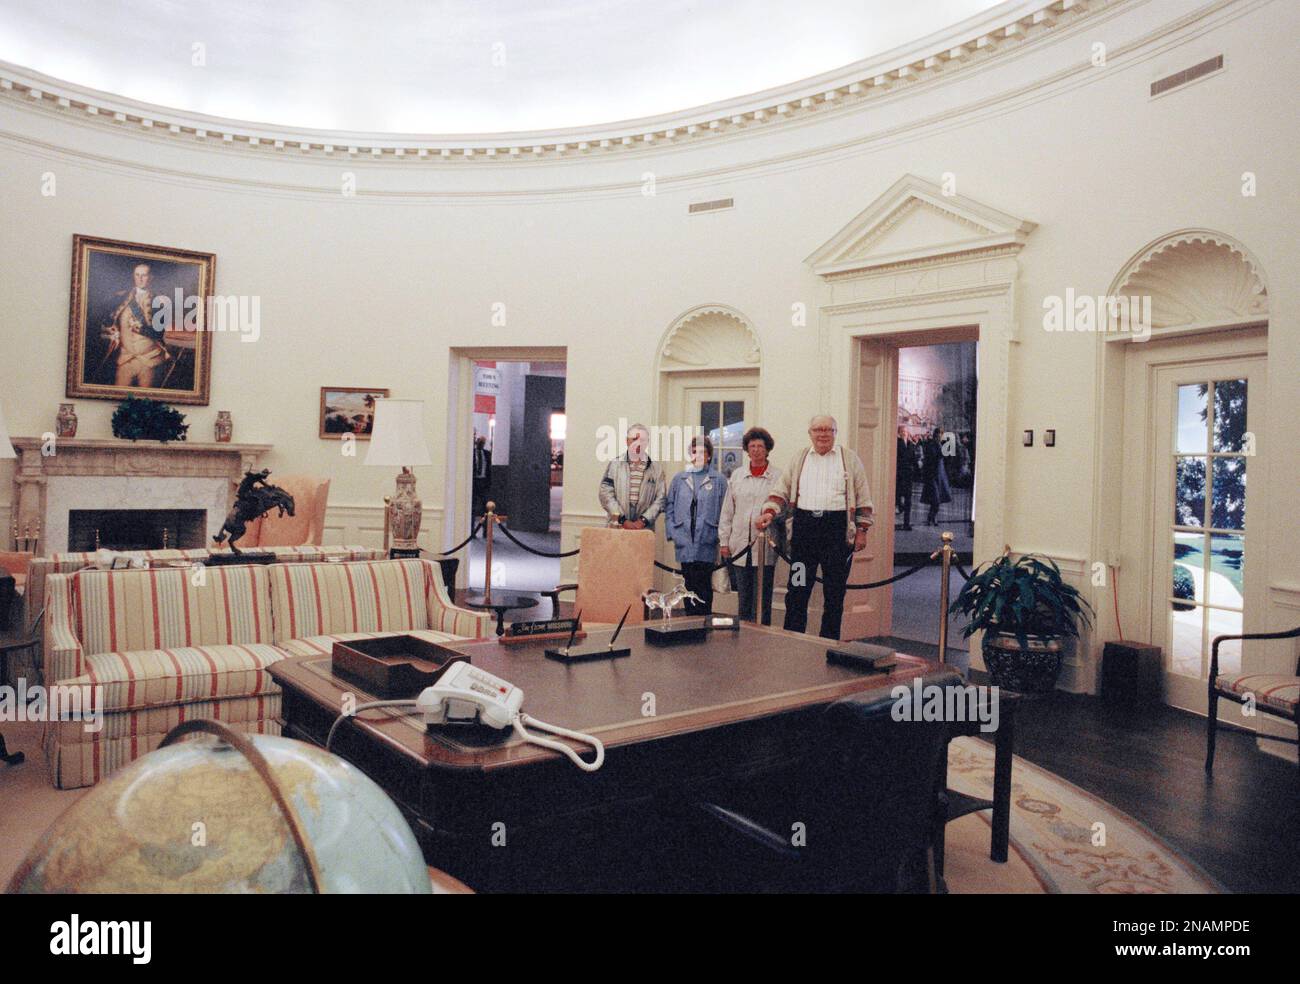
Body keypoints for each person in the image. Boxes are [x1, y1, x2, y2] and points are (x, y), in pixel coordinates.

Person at [756, 415, 872, 639]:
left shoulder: (849, 459)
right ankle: (794, 642)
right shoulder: (800, 459)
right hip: (804, 534)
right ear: (810, 433)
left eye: (828, 429)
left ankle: (829, 645)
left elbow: (863, 498)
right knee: (798, 590)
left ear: (835, 433)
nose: (822, 434)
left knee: (834, 593)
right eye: (818, 429)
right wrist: (768, 512)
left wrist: (862, 530)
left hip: (836, 534)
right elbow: (781, 491)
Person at [719, 426, 781, 624]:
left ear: (767, 449)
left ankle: (762, 637)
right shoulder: (737, 475)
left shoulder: (778, 476)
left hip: (764, 545)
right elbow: (728, 511)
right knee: (743, 597)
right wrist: (724, 541)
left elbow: (782, 507)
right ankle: (743, 635)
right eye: (752, 446)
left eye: (760, 446)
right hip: (738, 546)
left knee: (762, 598)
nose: (756, 450)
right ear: (747, 449)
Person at [664, 436, 728, 615]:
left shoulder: (719, 480)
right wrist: (673, 532)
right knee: (688, 585)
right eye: (694, 451)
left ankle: (704, 625)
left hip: (707, 540)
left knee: (704, 586)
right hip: (684, 540)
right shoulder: (679, 479)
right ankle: (689, 624)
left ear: (709, 456)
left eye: (702, 452)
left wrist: (721, 537)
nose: (698, 455)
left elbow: (726, 511)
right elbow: (669, 506)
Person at [100, 263, 171, 388]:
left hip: (150, 360)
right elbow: (108, 320)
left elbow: (159, 333)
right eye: (137, 275)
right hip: (125, 358)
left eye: (144, 275)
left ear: (151, 277)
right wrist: (112, 329)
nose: (140, 278)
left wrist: (140, 328)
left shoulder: (160, 301)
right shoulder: (121, 297)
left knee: (147, 401)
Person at [598, 422, 666, 530]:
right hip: (618, 527)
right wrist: (622, 519)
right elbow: (605, 494)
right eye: (634, 439)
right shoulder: (615, 465)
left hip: (644, 529)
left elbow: (660, 499)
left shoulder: (656, 469)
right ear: (627, 441)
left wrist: (643, 520)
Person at [920, 426, 952, 526]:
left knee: (937, 500)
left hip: (940, 475)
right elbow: (933, 458)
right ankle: (931, 518)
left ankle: (931, 518)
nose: (941, 436)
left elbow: (945, 459)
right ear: (936, 435)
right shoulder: (932, 444)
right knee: (936, 499)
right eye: (940, 434)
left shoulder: (939, 444)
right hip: (933, 476)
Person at [895, 426, 918, 532]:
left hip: (908, 476)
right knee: (897, 498)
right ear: (899, 433)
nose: (904, 433)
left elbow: (914, 459)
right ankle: (900, 508)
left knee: (908, 501)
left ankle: (906, 523)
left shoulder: (911, 445)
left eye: (905, 431)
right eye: (902, 431)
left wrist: (916, 468)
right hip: (899, 476)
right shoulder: (896, 443)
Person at [471, 434, 492, 537]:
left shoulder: (487, 454)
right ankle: (471, 532)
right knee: (472, 508)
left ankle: (486, 531)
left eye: (483, 443)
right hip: (474, 482)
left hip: (484, 483)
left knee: (487, 508)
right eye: (480, 442)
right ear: (476, 443)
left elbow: (489, 470)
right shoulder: (471, 454)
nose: (481, 444)